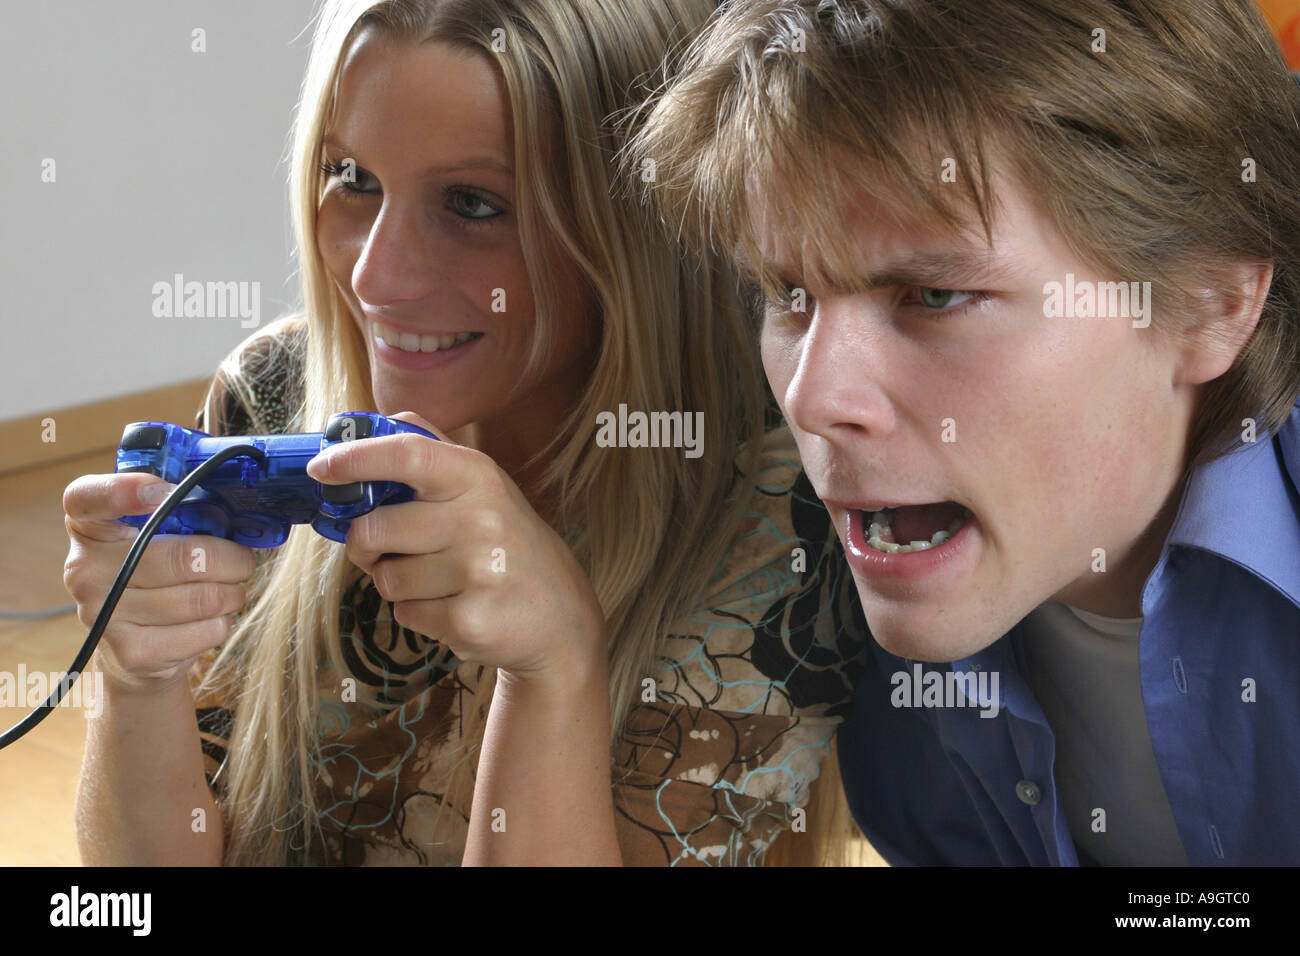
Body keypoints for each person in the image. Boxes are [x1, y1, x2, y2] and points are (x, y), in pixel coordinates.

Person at [63, 0, 867, 866]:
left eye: (472, 203)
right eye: (352, 178)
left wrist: (553, 670)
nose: (376, 275)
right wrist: (135, 674)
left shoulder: (773, 517)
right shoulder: (270, 398)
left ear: (639, 225)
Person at [631, 0, 1300, 864]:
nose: (812, 397)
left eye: (935, 296)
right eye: (788, 294)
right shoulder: (837, 634)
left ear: (1212, 303)